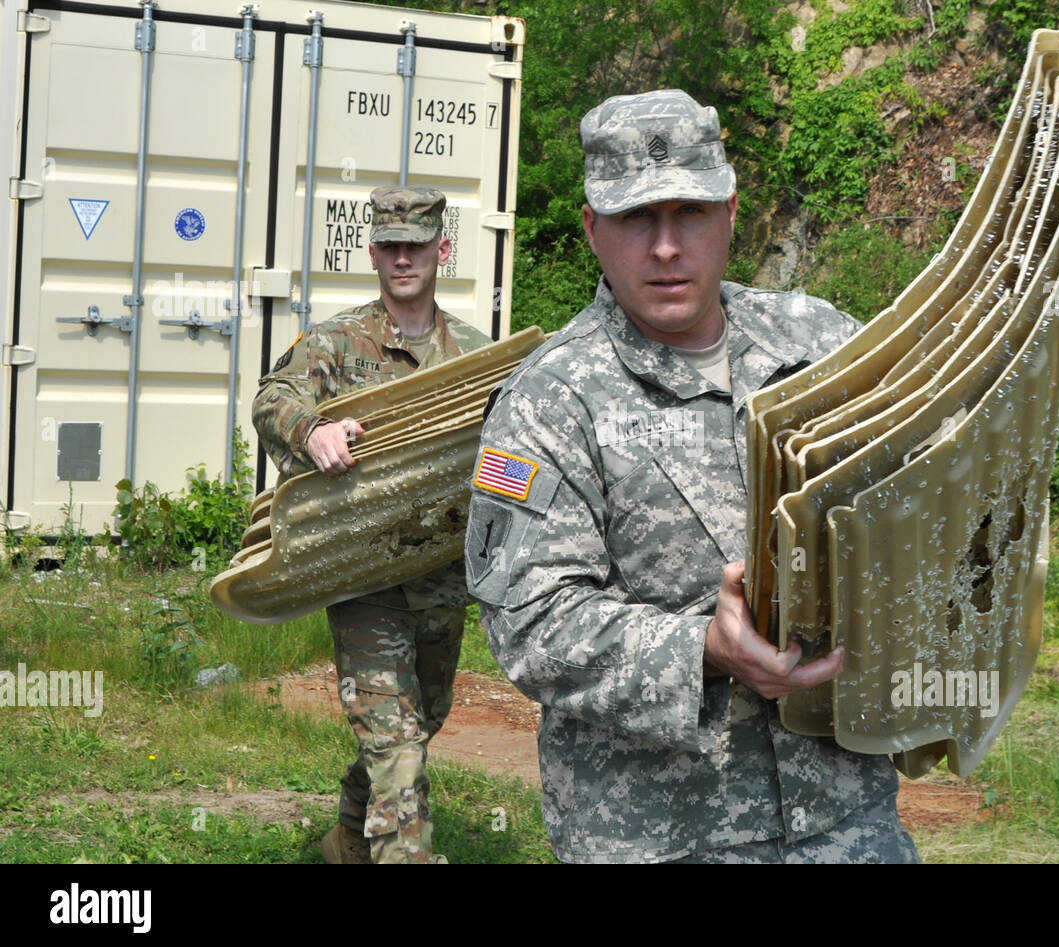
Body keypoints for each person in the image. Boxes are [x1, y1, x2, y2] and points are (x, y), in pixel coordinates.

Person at [464, 90, 920, 863]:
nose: (668, 246)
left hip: (847, 821)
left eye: (691, 213)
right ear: (591, 230)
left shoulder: (823, 342)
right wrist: (701, 648)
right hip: (660, 837)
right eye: (638, 219)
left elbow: (916, 492)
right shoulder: (550, 399)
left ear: (733, 212)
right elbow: (530, 621)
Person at [253, 186, 491, 864]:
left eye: (416, 245)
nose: (404, 258)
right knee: (396, 738)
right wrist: (313, 429)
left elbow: (507, 455)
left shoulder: (474, 354)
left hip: (441, 575)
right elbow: (274, 397)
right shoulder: (335, 341)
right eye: (391, 246)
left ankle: (350, 836)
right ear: (373, 253)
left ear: (440, 250)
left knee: (423, 719)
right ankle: (403, 853)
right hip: (363, 573)